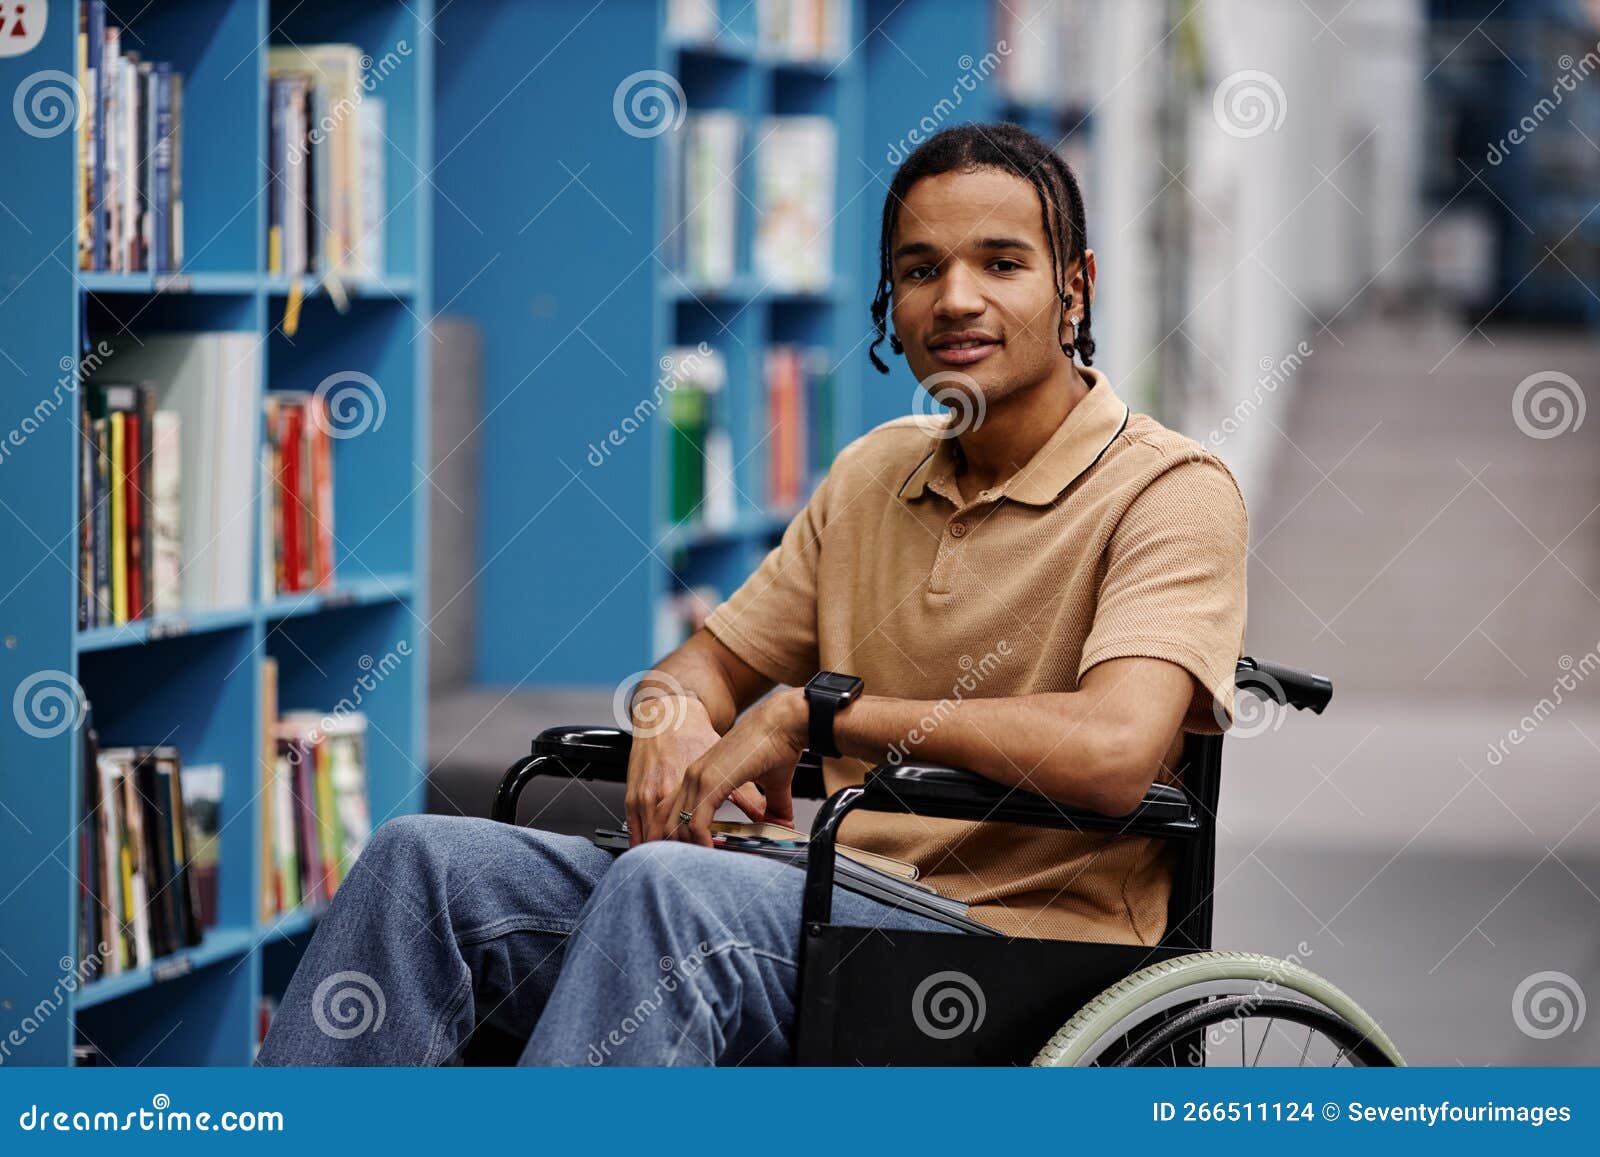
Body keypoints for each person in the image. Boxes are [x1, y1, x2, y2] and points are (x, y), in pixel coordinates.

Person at [256, 122, 1248, 1067]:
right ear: (888, 303)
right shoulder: (874, 472)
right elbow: (711, 662)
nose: (953, 298)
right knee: (420, 863)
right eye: (917, 269)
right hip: (812, 887)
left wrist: (818, 715)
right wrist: (672, 708)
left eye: (999, 262)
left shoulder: (1169, 487)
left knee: (668, 891)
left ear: (1073, 288)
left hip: (1005, 943)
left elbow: (1119, 749)